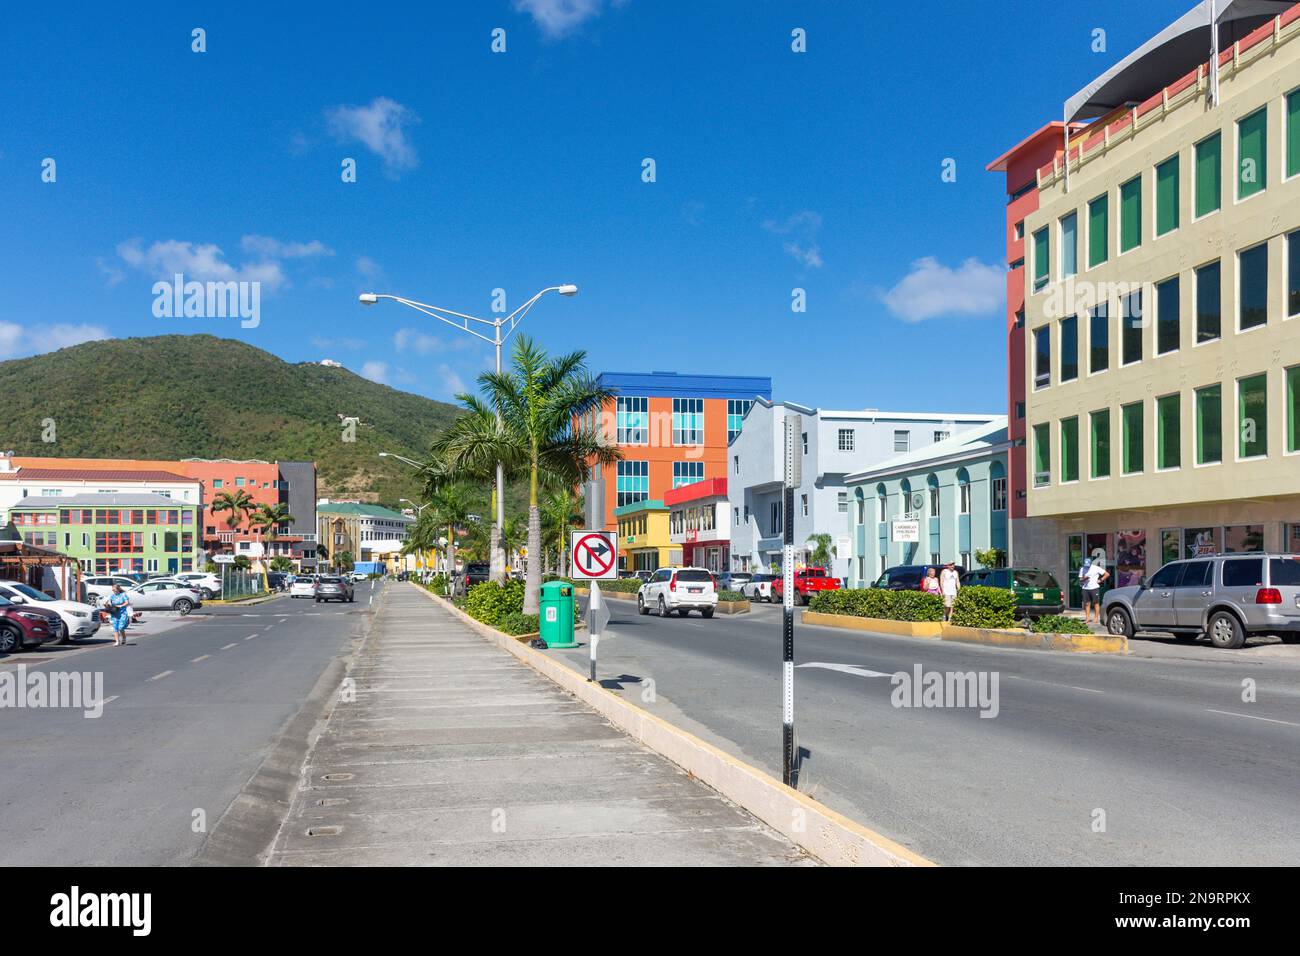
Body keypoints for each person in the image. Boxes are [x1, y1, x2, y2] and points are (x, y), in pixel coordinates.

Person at [1080, 558, 1110, 625]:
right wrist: (1084, 578)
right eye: (1086, 565)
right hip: (1085, 588)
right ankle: (1087, 618)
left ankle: (1096, 618)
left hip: (1094, 588)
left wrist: (1100, 580)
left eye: (1088, 565)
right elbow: (1080, 579)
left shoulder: (1096, 568)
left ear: (1091, 563)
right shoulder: (1082, 569)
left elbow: (1107, 574)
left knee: (1096, 603)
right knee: (1087, 604)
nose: (1087, 566)